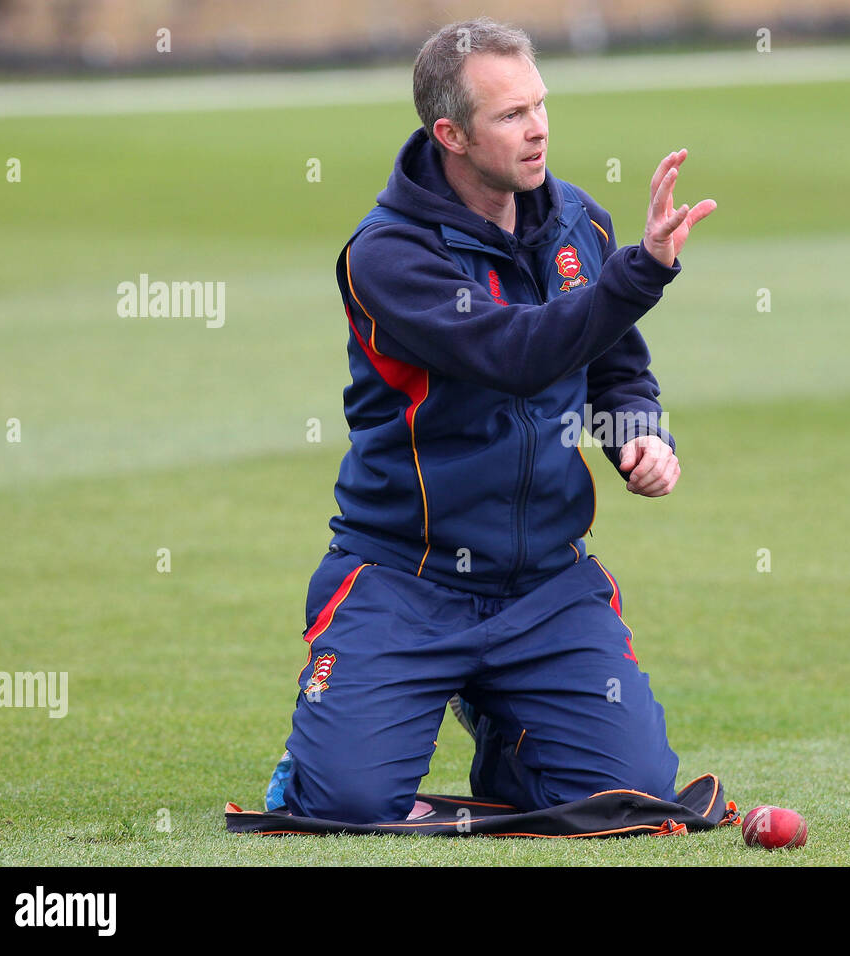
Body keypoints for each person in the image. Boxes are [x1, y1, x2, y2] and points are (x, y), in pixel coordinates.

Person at [268, 17, 716, 825]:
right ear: (451, 134)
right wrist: (641, 274)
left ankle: (508, 729)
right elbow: (515, 353)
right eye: (510, 115)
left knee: (636, 799)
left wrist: (640, 435)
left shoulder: (581, 223)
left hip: (544, 585)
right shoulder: (388, 254)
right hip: (405, 579)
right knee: (348, 805)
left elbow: (616, 369)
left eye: (540, 104)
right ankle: (327, 751)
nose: (538, 126)